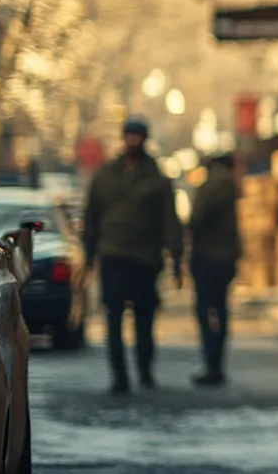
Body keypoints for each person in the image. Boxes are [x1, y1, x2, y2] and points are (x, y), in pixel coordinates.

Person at [82, 117, 184, 395]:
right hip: (113, 254)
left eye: (138, 136)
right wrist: (89, 254)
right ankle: (119, 376)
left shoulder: (157, 179)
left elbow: (169, 221)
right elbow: (92, 215)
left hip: (144, 258)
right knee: (113, 318)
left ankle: (144, 370)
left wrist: (176, 259)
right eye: (130, 135)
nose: (133, 141)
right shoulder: (106, 175)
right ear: (124, 138)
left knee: (144, 318)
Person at [187, 152, 240, 388]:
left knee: (205, 311)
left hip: (206, 257)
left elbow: (196, 220)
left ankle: (211, 364)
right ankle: (218, 364)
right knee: (221, 309)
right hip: (226, 258)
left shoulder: (209, 188)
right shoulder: (231, 188)